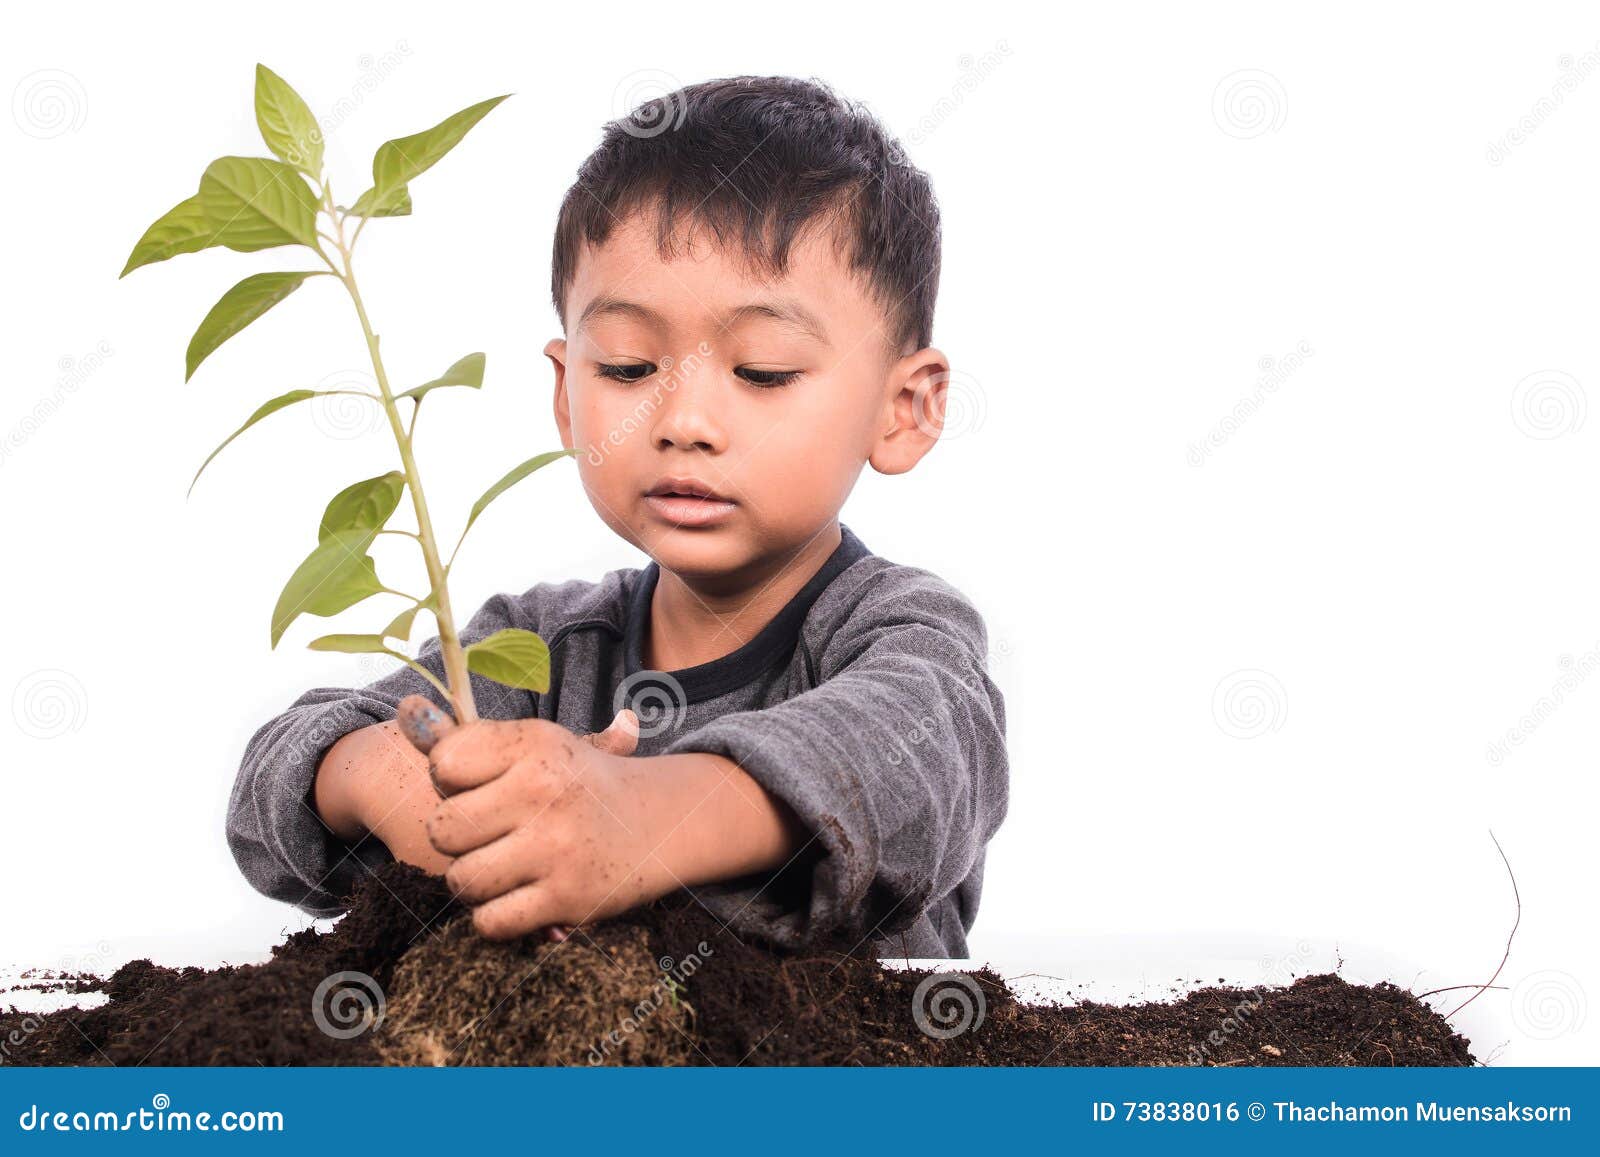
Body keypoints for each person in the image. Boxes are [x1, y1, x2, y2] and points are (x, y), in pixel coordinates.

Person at [226, 74, 1008, 959]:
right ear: (566, 394)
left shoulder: (900, 632)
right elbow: (268, 793)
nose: (683, 421)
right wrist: (391, 784)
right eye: (630, 367)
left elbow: (923, 754)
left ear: (904, 409)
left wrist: (638, 817)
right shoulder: (538, 648)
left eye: (762, 370)